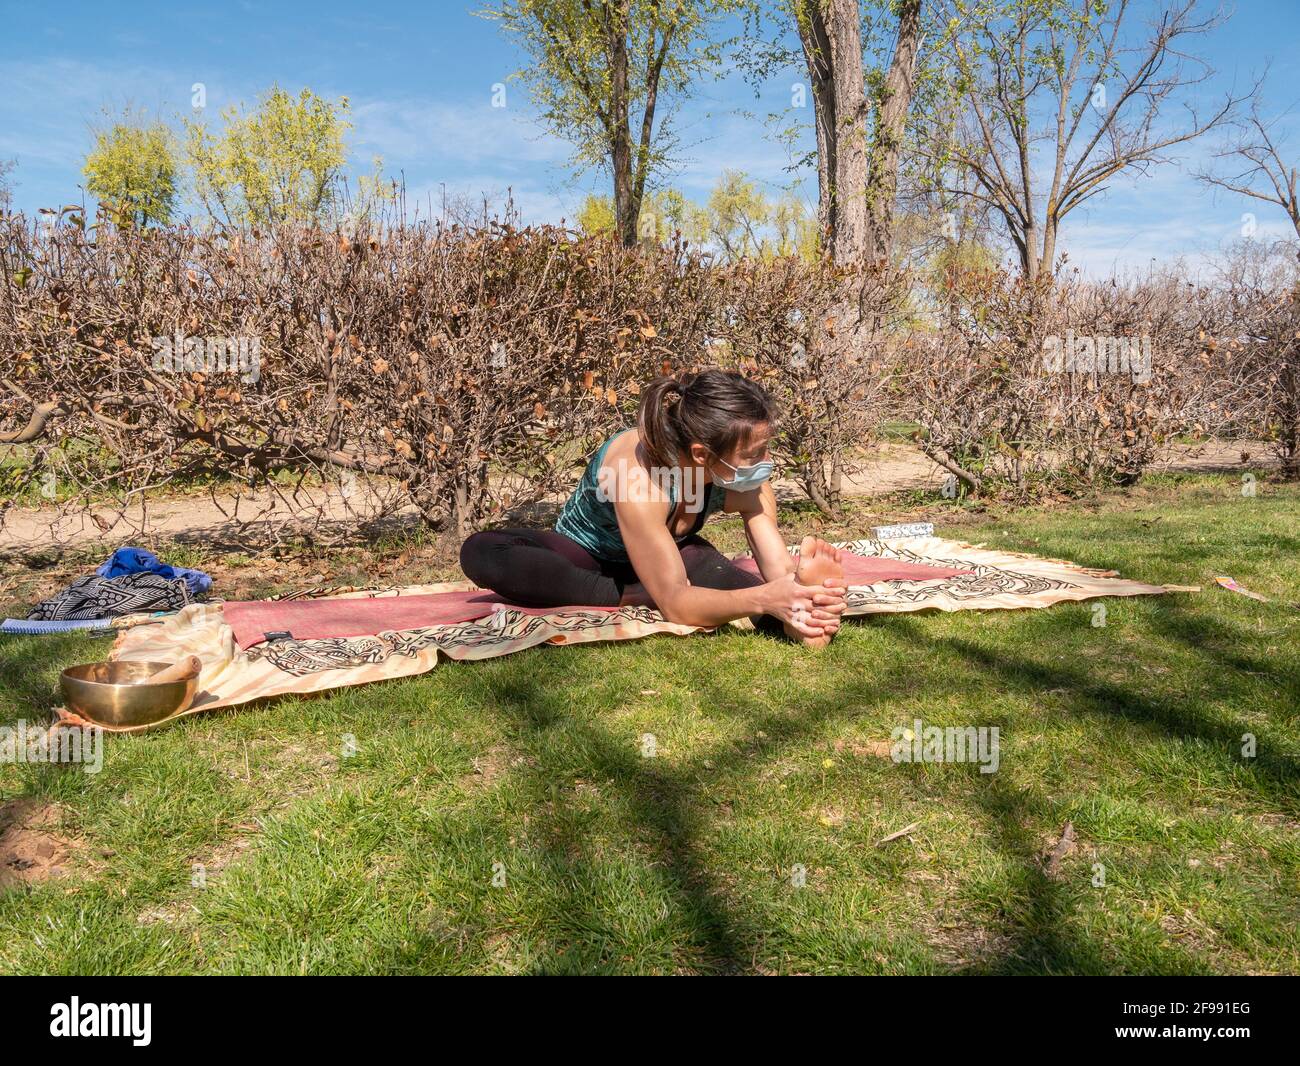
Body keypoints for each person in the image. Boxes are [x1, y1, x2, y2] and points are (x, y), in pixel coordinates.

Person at [459, 369, 848, 647]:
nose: (767, 460)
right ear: (701, 454)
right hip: (589, 560)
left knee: (747, 587)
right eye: (755, 453)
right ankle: (638, 593)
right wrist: (763, 597)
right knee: (482, 551)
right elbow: (677, 605)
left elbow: (776, 568)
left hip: (674, 554)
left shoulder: (743, 478)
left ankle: (798, 623)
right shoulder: (637, 476)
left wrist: (797, 588)